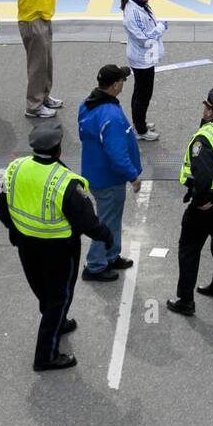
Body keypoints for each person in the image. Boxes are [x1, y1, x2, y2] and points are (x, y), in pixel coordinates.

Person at [0, 122, 113, 371]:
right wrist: (107, 237)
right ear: (58, 151)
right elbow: (87, 222)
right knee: (59, 299)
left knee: (43, 291)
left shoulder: (15, 168)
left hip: (26, 247)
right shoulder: (65, 182)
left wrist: (15, 231)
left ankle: (58, 323)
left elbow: (3, 207)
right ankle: (45, 356)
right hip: (59, 251)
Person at [168, 89, 213, 315]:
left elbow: (202, 175)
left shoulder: (205, 138)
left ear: (210, 112)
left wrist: (200, 200)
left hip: (206, 201)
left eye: (206, 107)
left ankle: (185, 299)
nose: (204, 110)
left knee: (189, 248)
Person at [77, 64, 143, 282]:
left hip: (95, 172)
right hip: (109, 178)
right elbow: (117, 153)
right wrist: (132, 176)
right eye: (122, 80)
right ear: (115, 86)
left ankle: (111, 255)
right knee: (105, 222)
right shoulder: (111, 116)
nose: (124, 83)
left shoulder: (88, 104)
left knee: (112, 219)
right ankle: (95, 265)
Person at [17, 0, 75, 118]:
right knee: (37, 65)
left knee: (46, 62)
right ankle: (34, 106)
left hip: (41, 17)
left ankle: (44, 96)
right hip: (32, 21)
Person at [121, 0, 172, 140]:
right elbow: (145, 38)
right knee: (143, 95)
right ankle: (141, 129)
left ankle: (139, 121)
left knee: (140, 92)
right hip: (142, 58)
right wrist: (160, 27)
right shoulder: (132, 15)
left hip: (144, 57)